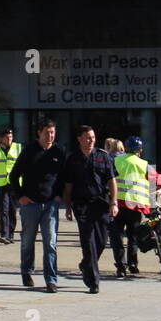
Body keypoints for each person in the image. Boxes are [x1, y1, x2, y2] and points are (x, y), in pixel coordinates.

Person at [9, 118, 66, 293]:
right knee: (27, 241)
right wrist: (21, 197)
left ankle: (51, 279)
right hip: (30, 204)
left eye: (53, 133)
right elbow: (13, 175)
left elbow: (64, 176)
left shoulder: (59, 151)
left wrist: (59, 196)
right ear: (39, 133)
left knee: (50, 243)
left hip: (50, 205)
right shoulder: (29, 151)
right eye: (48, 132)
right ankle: (26, 271)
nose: (51, 136)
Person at [62, 126, 117, 293]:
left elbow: (112, 180)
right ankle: (93, 281)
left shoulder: (103, 156)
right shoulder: (72, 158)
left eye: (93, 137)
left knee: (101, 241)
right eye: (87, 137)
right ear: (79, 138)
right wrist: (68, 206)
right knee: (88, 242)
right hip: (82, 205)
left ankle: (85, 264)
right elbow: (68, 184)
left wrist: (113, 203)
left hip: (101, 204)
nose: (91, 140)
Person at [111, 136, 150, 278]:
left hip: (117, 204)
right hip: (134, 205)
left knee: (117, 236)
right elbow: (157, 178)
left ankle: (120, 266)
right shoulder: (143, 164)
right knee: (133, 236)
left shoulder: (115, 160)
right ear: (140, 150)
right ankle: (133, 264)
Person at [0, 128, 22, 244]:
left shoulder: (18, 147)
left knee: (12, 210)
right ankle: (4, 234)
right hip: (1, 184)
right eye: (7, 137)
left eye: (10, 137)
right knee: (3, 210)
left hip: (13, 183)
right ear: (2, 138)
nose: (9, 139)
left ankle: (11, 234)